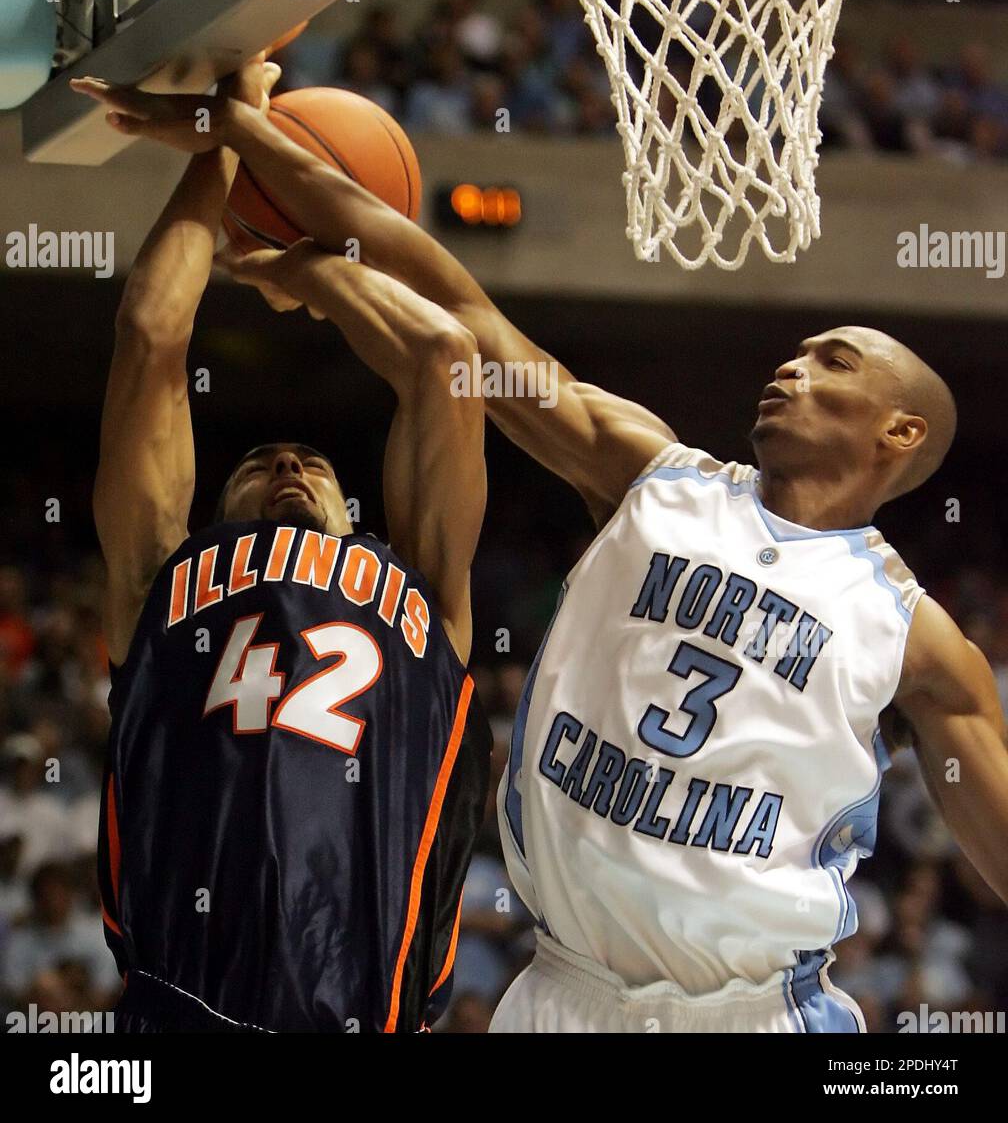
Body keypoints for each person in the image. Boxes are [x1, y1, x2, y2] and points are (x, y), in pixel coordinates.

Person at [71, 74, 1008, 1035]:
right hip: (559, 991)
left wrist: (251, 156)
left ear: (900, 433)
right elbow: (462, 320)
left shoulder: (914, 637)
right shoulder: (654, 476)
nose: (791, 367)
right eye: (797, 352)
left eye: (831, 363)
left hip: (757, 1010)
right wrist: (258, 158)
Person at [72, 64, 490, 1033]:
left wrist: (311, 268)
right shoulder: (161, 580)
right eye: (261, 461)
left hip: (363, 1010)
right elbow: (149, 331)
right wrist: (223, 139)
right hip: (174, 1009)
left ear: (356, 509)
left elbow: (447, 359)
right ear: (221, 506)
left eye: (308, 461)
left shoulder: (422, 590)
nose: (290, 466)